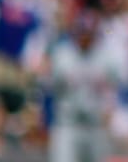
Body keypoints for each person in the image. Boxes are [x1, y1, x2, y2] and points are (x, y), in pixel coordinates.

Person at [47, 13, 122, 162]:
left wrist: (110, 108)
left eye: (89, 32)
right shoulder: (63, 55)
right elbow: (52, 87)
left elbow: (115, 87)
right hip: (68, 124)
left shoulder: (106, 57)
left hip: (96, 125)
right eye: (83, 32)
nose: (85, 36)